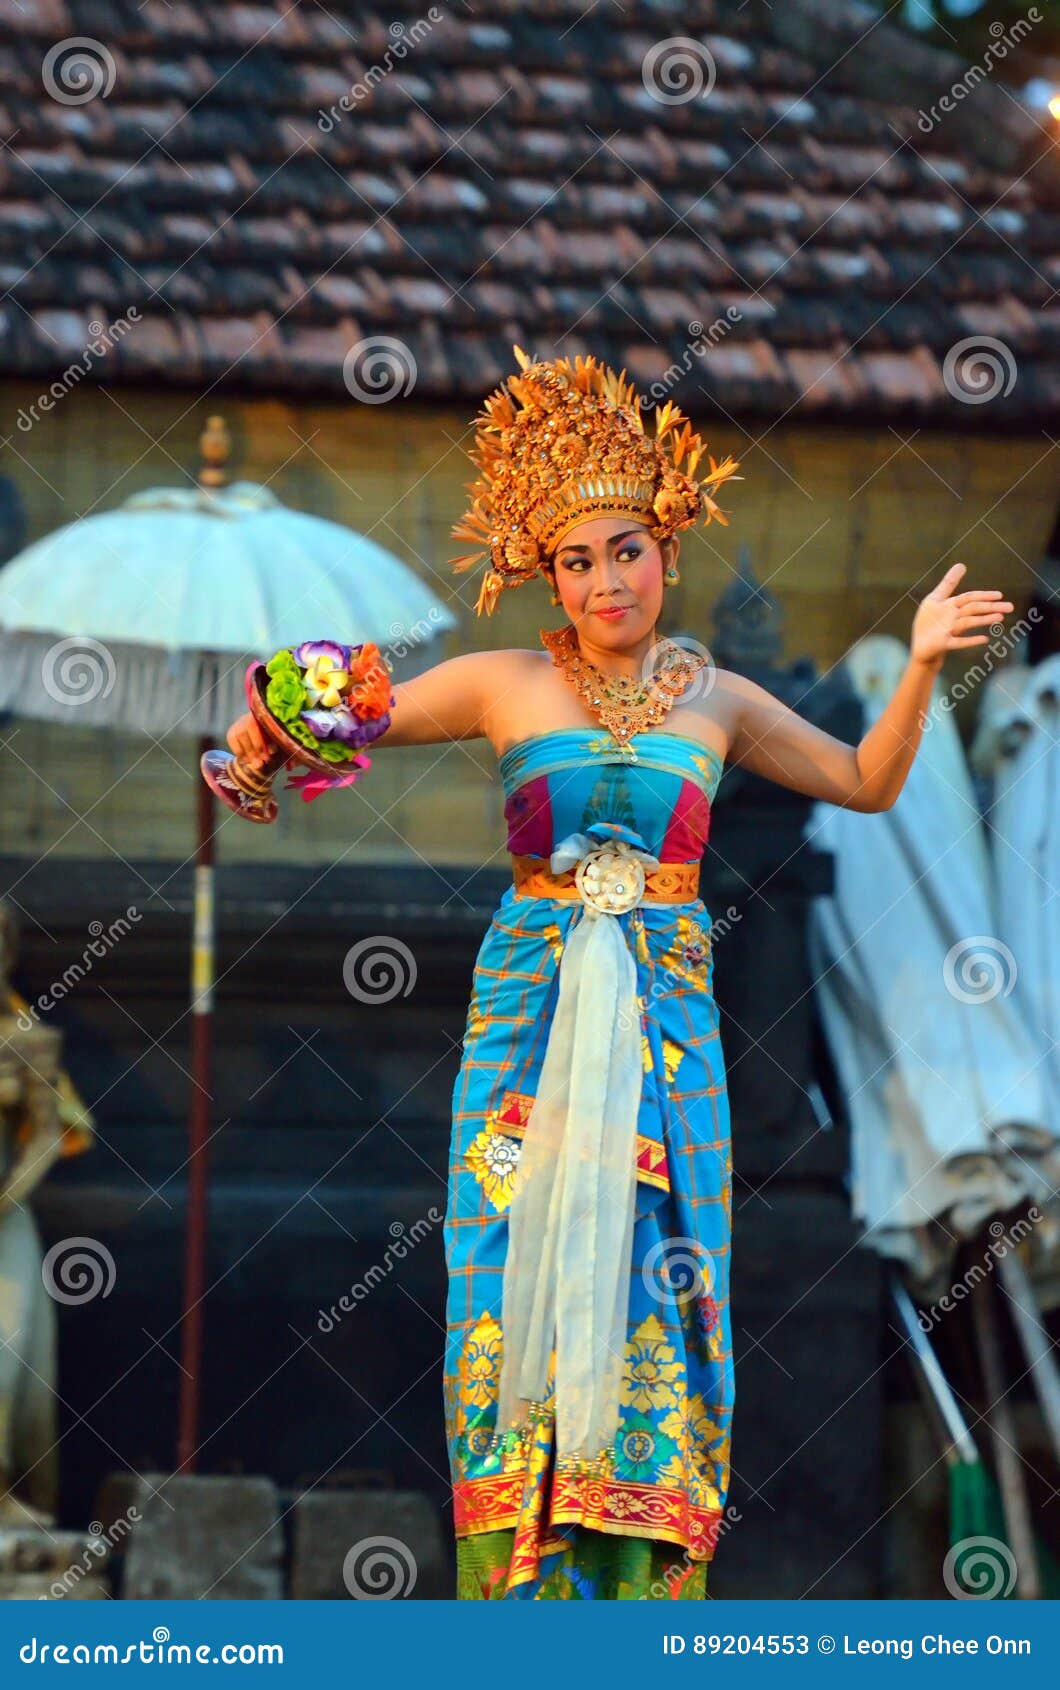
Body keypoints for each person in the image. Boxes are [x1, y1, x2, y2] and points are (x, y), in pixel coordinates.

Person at [225, 346, 1013, 1599]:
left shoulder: (723, 701)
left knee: (665, 1272)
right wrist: (259, 740)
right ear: (548, 572)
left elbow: (867, 783)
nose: (604, 580)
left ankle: (639, 1593)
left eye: (626, 550)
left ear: (669, 551)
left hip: (664, 1027)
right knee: (504, 1257)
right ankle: (523, 1594)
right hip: (528, 1021)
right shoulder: (503, 684)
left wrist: (918, 660)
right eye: (577, 559)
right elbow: (343, 715)